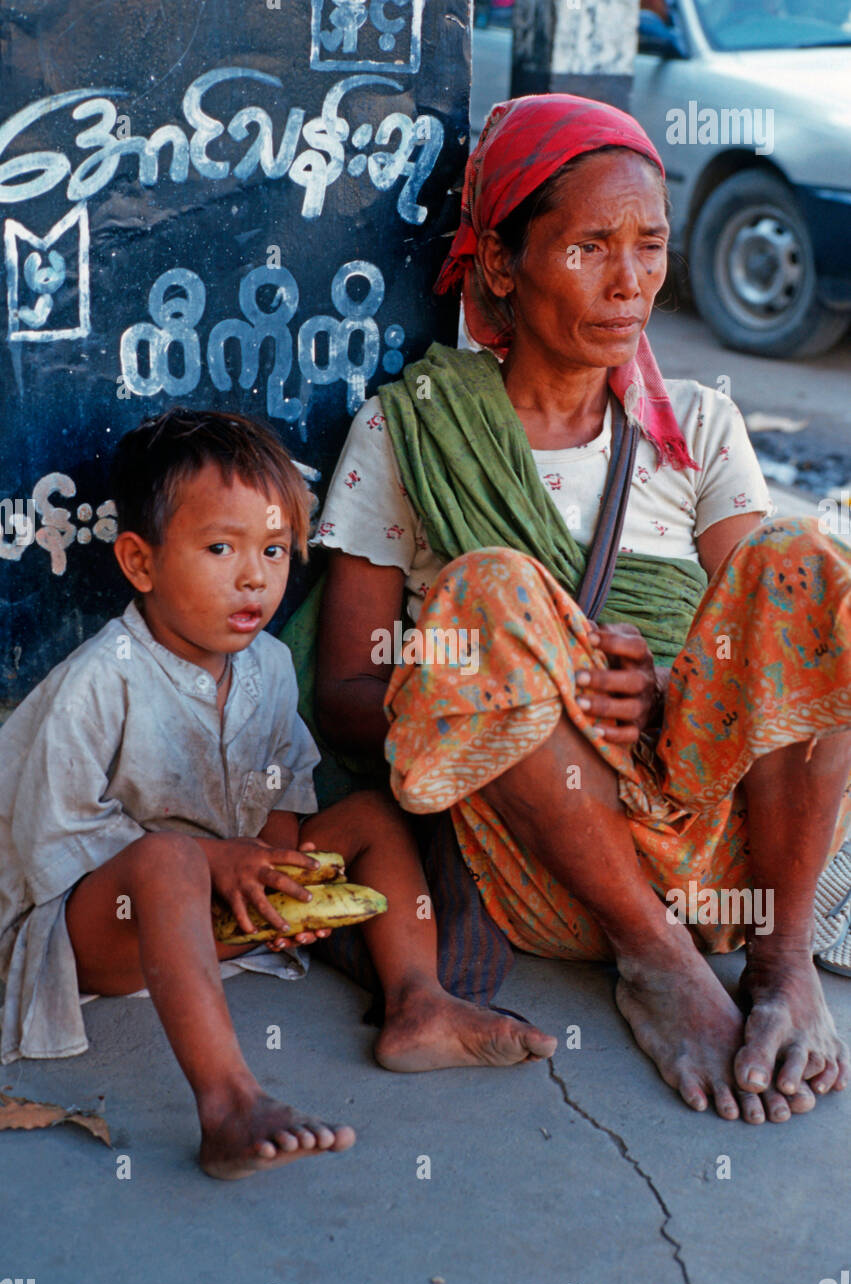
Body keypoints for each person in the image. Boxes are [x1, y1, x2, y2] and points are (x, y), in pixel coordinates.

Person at [314, 93, 851, 1124]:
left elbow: (775, 661)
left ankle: (780, 961)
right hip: (545, 862)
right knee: (490, 590)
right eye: (589, 247)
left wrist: (660, 687)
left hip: (721, 855)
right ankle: (655, 963)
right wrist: (514, 681)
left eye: (649, 245)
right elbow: (339, 691)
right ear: (505, 265)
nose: (630, 283)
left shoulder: (695, 424)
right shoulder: (412, 429)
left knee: (804, 558)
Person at [0, 408, 552, 1180]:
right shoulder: (99, 683)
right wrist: (210, 860)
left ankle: (417, 1000)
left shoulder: (266, 665)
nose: (255, 576)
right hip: (95, 929)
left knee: (367, 815)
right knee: (166, 862)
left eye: (272, 549)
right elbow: (47, 850)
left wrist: (278, 863)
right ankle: (228, 1102)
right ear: (139, 561)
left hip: (220, 904)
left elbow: (281, 785)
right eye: (220, 548)